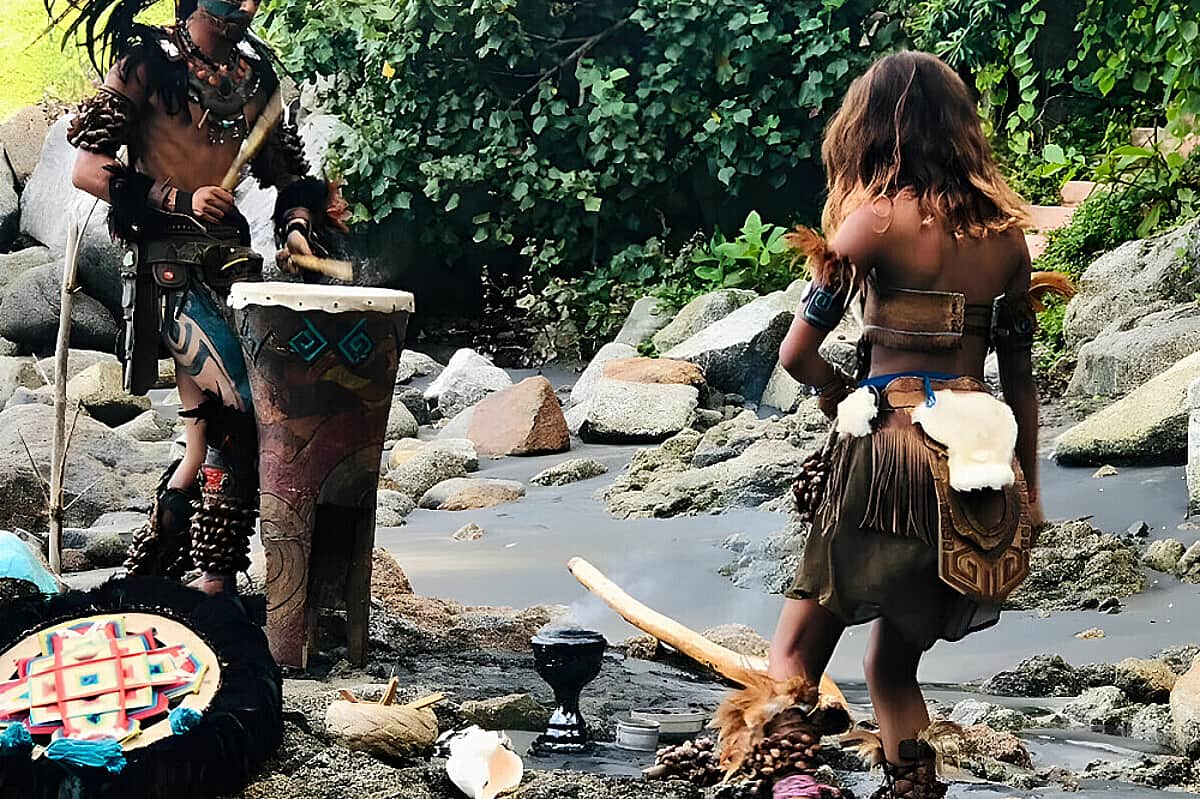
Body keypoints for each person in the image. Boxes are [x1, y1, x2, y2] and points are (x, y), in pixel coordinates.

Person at [765, 51, 1047, 799]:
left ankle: (795, 789)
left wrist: (837, 392)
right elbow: (1020, 386)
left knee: (793, 654)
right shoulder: (1008, 240)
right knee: (891, 665)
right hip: (977, 465)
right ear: (960, 129)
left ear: (874, 127)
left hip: (889, 452)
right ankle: (913, 790)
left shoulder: (876, 219)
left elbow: (796, 353)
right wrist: (1034, 496)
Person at [58, 0, 347, 595]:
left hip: (233, 270)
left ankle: (145, 579)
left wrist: (297, 227)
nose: (247, 6)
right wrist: (174, 199)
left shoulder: (252, 76)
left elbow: (291, 179)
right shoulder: (146, 66)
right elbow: (87, 169)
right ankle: (214, 585)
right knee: (239, 414)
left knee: (205, 440)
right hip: (168, 272)